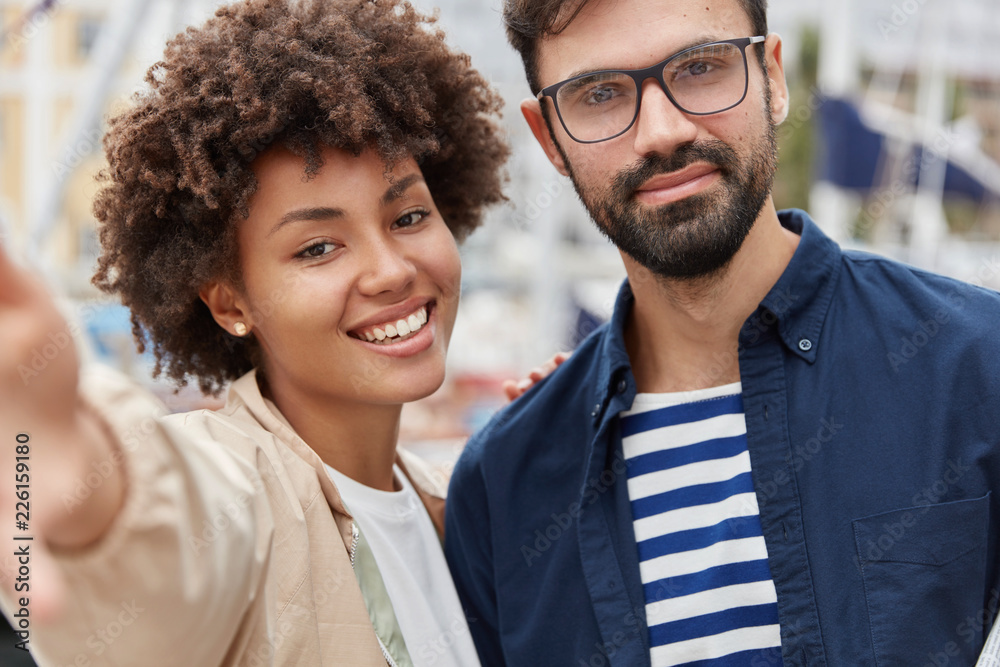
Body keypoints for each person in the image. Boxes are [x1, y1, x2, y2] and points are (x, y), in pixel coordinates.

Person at [0, 0, 562, 664]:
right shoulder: (242, 496)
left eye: (408, 216)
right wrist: (89, 475)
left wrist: (558, 466)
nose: (390, 271)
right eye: (318, 248)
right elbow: (166, 534)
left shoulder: (461, 509)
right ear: (229, 302)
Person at [443, 0, 1000, 666]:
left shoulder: (978, 368)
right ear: (548, 138)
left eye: (700, 67)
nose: (662, 131)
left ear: (772, 77)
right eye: (599, 94)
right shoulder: (503, 488)